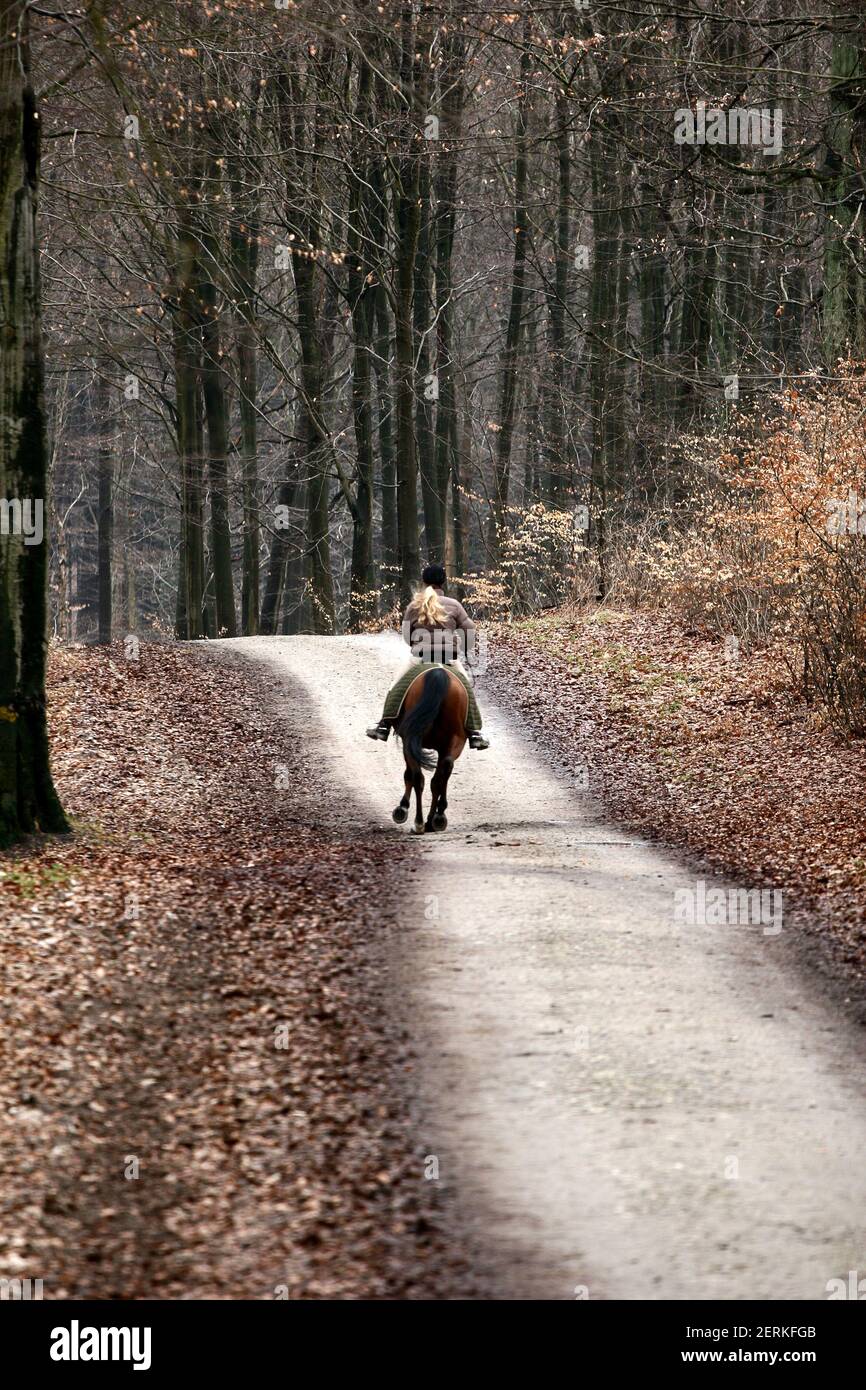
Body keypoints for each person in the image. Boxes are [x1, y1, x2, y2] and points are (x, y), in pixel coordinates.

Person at [366, 563, 490, 750]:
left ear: (424, 582)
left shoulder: (415, 605)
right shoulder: (454, 605)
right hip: (448, 658)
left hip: (420, 658)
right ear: (444, 582)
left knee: (395, 686)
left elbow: (407, 637)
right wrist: (465, 645)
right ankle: (474, 733)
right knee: (467, 691)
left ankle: (383, 725)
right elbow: (469, 630)